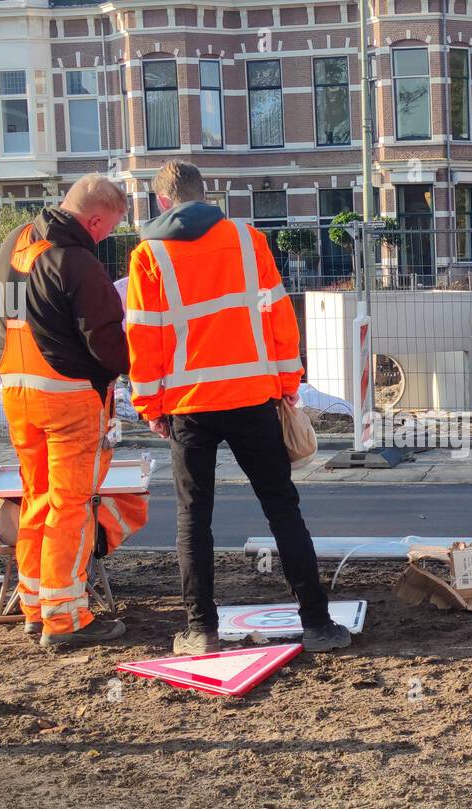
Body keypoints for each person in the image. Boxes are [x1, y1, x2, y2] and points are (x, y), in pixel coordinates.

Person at [125, 160, 350, 655]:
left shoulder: (148, 257)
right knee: (282, 510)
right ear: (207, 195)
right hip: (253, 398)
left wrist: (150, 407)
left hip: (188, 408)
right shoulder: (249, 242)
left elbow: (143, 339)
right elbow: (278, 316)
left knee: (193, 518)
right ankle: (316, 623)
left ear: (163, 201)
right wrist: (288, 383)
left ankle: (200, 630)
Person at [0, 174, 131, 648]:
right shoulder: (78, 263)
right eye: (107, 229)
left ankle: (34, 606)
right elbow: (107, 343)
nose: (105, 238)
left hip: (16, 390)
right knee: (70, 505)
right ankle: (66, 617)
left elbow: (9, 318)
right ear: (93, 219)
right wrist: (137, 359)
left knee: (36, 497)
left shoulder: (16, 242)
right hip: (68, 397)